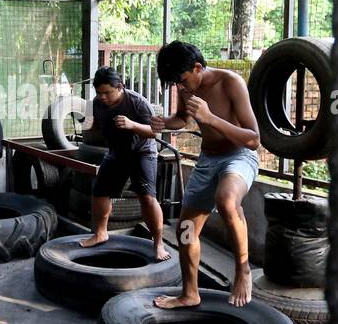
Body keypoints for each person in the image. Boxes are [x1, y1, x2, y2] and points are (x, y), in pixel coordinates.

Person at [149, 41, 262, 307]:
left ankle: (243, 269)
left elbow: (254, 139)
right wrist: (164, 123)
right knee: (186, 230)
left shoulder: (230, 83)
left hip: (238, 156)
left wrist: (210, 118)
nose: (179, 87)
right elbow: (181, 119)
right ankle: (190, 294)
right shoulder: (187, 87)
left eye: (182, 80)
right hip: (207, 159)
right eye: (175, 83)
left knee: (226, 200)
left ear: (198, 67)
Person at [79, 66, 169, 262]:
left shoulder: (138, 103)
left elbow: (156, 133)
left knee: (147, 198)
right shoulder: (96, 103)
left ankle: (158, 243)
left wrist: (132, 125)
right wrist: (87, 125)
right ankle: (101, 233)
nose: (102, 97)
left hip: (142, 152)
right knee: (100, 191)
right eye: (98, 92)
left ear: (120, 87)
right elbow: (93, 127)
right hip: (117, 153)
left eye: (107, 92)